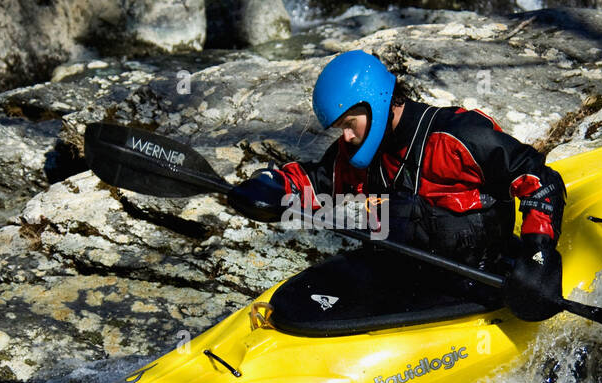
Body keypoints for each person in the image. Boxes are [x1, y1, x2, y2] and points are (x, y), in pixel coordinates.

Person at [229, 50, 566, 325]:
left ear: (376, 101)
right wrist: (272, 185)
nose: (345, 137)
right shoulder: (361, 153)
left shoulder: (458, 135)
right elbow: (317, 184)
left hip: (474, 282)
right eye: (340, 129)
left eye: (349, 124)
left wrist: (538, 253)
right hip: (402, 277)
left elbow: (541, 184)